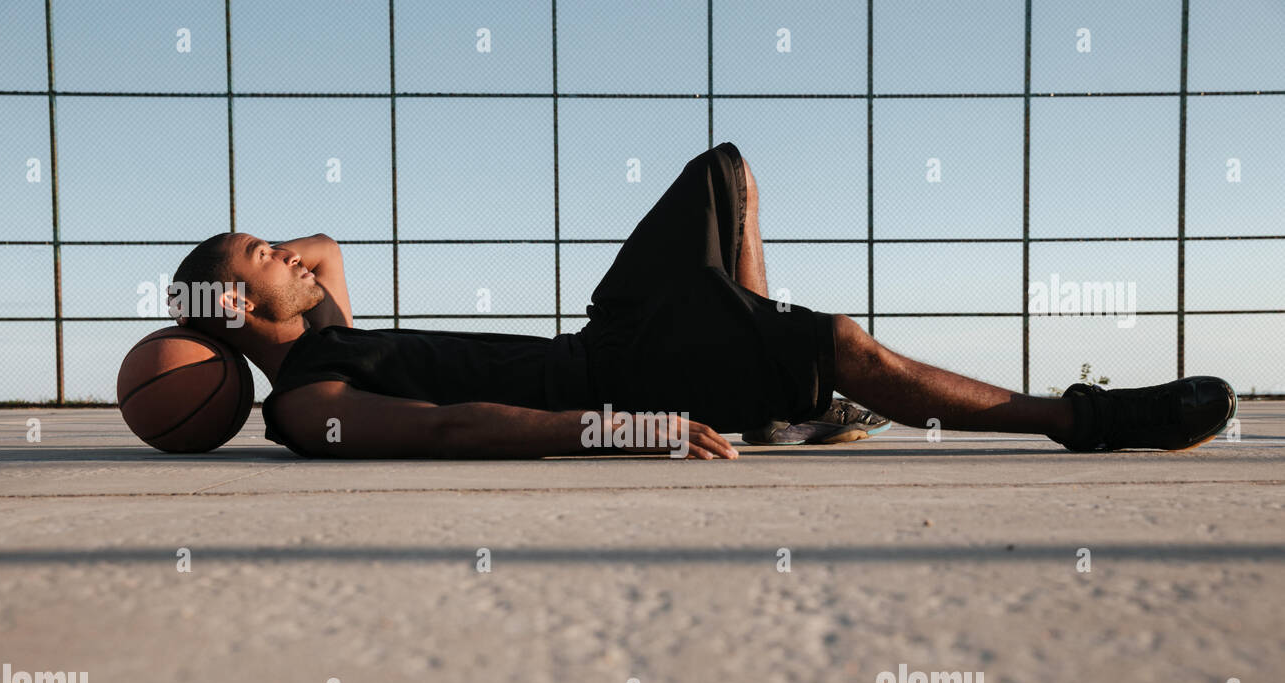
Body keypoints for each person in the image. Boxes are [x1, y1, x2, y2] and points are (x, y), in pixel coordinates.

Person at [168, 142, 1235, 460]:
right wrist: (628, 430)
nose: (294, 253)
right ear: (237, 304)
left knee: (721, 176)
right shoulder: (310, 398)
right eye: (264, 252)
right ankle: (1086, 420)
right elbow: (452, 424)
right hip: (622, 380)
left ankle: (771, 383)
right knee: (845, 343)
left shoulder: (333, 326)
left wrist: (239, 292)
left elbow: (327, 242)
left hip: (604, 336)